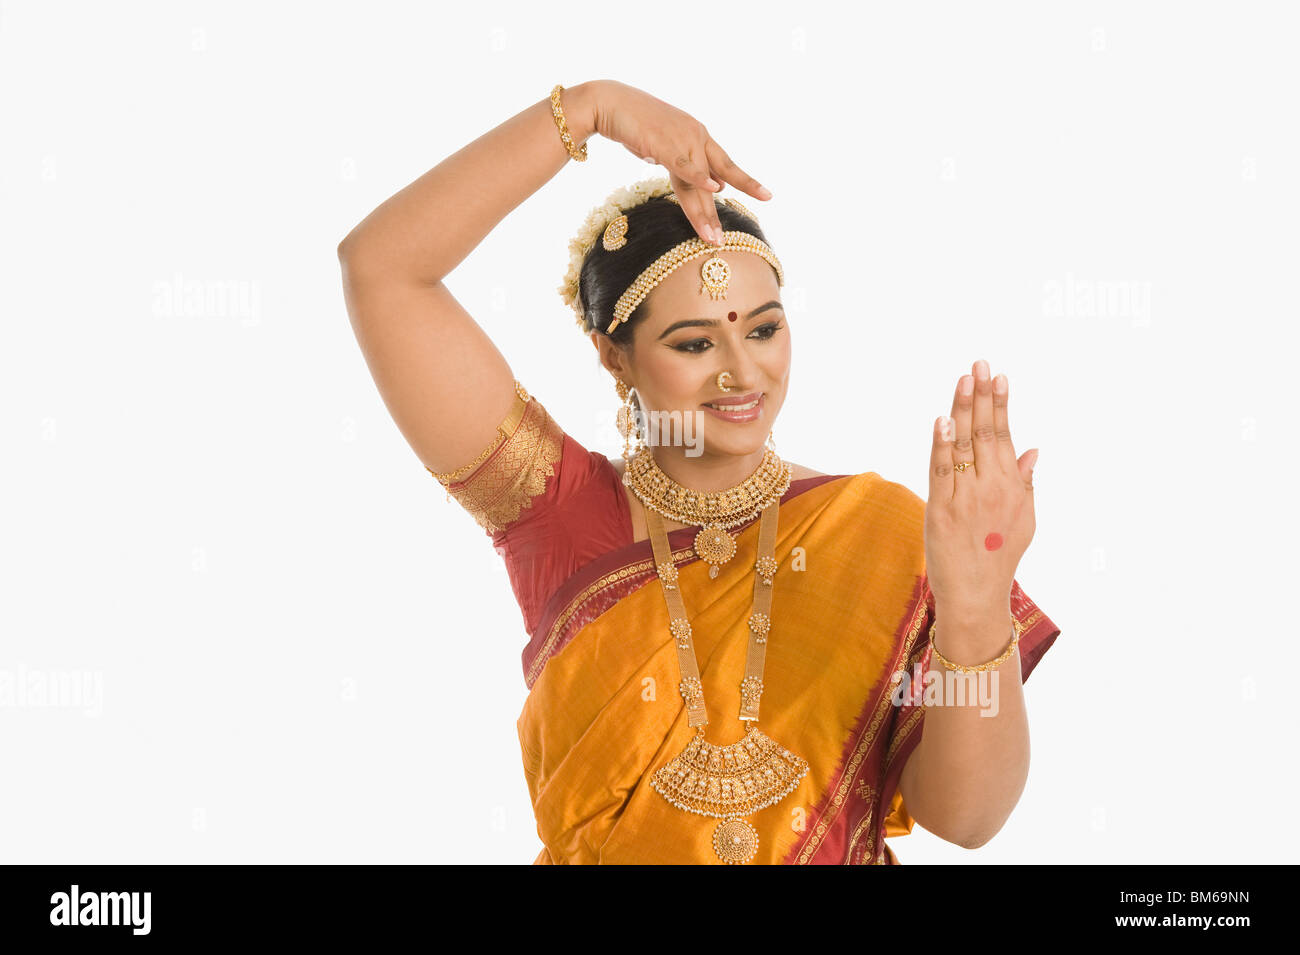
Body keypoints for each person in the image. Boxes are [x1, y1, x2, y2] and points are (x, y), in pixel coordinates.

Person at [337, 79, 1061, 864]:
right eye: (694, 343)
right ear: (613, 354)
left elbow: (967, 818)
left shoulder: (880, 530)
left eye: (765, 328)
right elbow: (380, 269)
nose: (742, 372)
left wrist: (976, 603)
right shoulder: (557, 511)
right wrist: (590, 109)